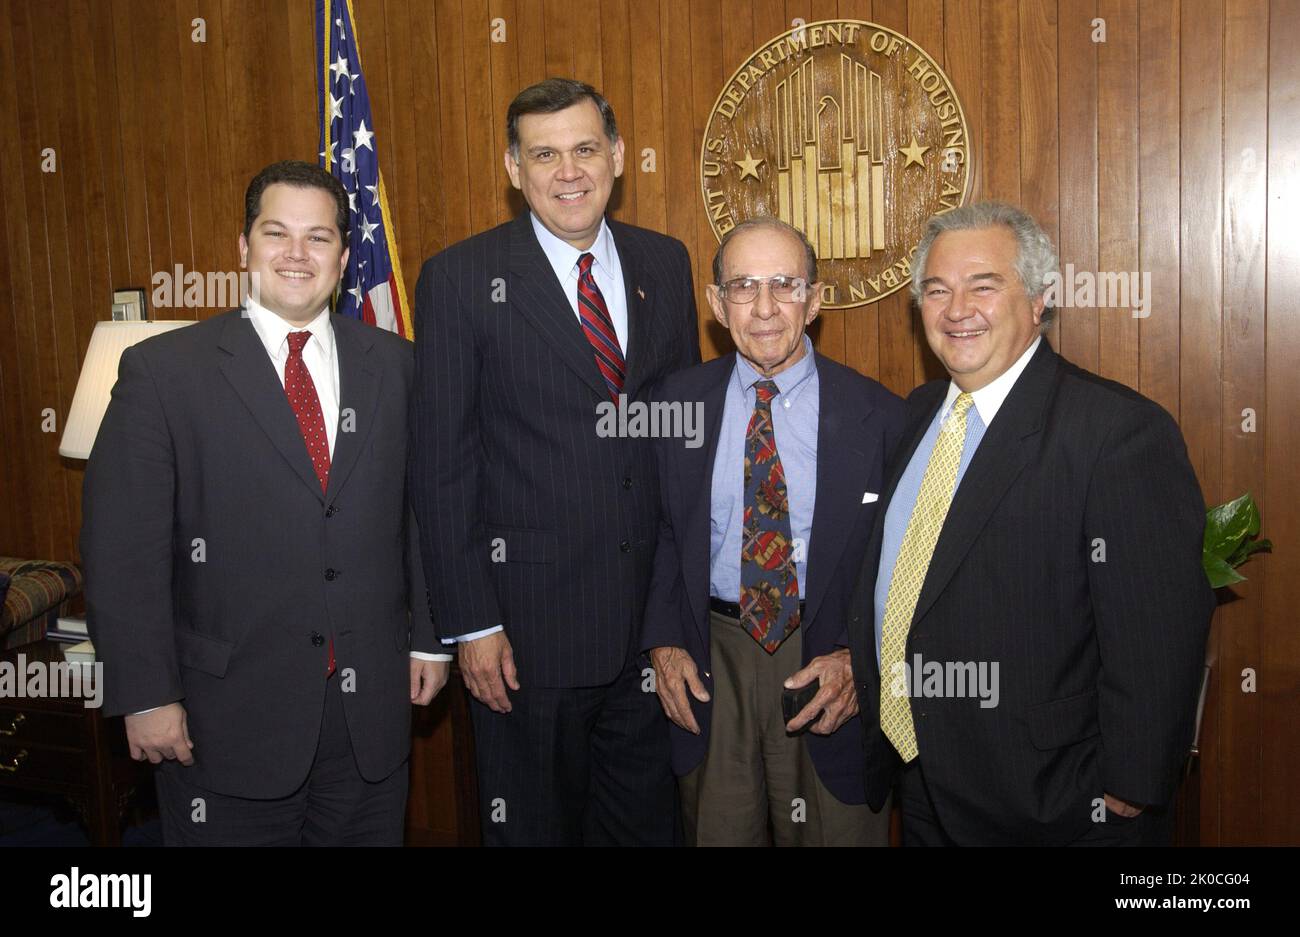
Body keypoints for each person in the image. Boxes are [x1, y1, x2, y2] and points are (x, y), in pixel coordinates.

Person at [82, 160, 449, 846]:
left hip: (368, 716)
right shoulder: (164, 373)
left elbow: (421, 513)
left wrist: (430, 636)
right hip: (222, 722)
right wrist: (145, 692)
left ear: (344, 254)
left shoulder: (397, 365)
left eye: (317, 237)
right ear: (243, 247)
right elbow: (121, 552)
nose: (296, 254)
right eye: (276, 232)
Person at [846, 201, 1214, 845]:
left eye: (983, 286)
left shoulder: (1118, 434)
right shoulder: (920, 411)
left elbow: (1160, 631)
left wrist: (1131, 782)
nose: (957, 309)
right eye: (936, 290)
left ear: (1040, 300)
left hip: (1055, 802)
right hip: (924, 782)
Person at [411, 78, 700, 845]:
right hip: (526, 643)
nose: (568, 171)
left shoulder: (665, 263)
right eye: (544, 154)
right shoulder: (461, 279)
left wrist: (676, 611)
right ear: (514, 169)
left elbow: (683, 452)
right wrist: (471, 623)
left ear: (615, 156)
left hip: (648, 636)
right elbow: (442, 468)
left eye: (583, 148)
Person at [642, 218, 904, 845]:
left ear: (814, 302)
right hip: (713, 658)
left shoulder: (882, 416)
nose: (763, 308)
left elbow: (902, 565)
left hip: (826, 660)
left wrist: (861, 664)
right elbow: (658, 536)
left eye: (784, 285)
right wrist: (664, 642)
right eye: (743, 286)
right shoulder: (674, 406)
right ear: (715, 304)